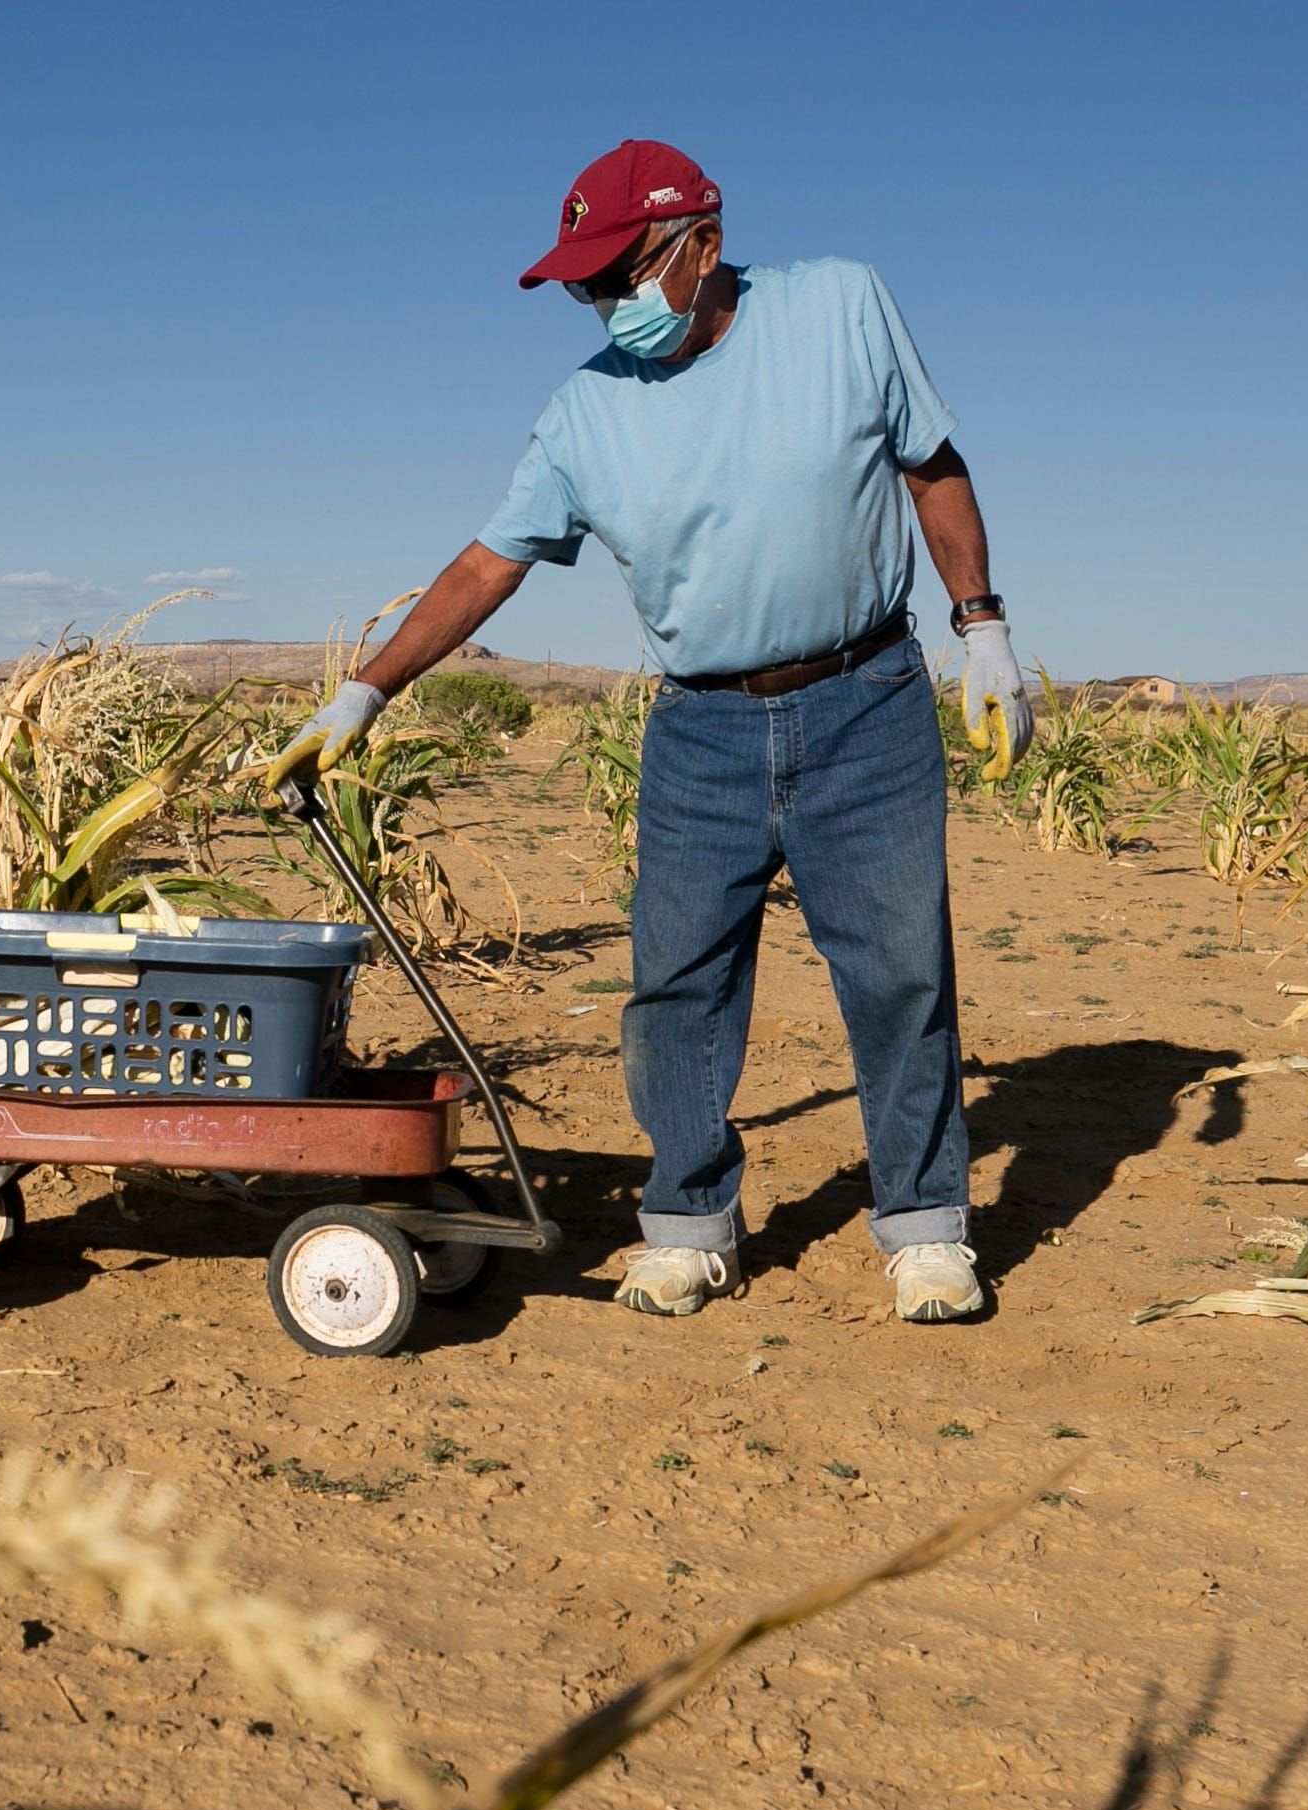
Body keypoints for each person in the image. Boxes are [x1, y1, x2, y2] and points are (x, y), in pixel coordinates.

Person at [263, 139, 1033, 1323]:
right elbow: (487, 565)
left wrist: (981, 627)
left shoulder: (840, 305)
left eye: (617, 276)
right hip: (699, 734)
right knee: (675, 987)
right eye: (582, 286)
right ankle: (686, 1222)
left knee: (900, 978)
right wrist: (365, 691)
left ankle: (923, 1225)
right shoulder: (585, 410)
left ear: (703, 248)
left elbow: (932, 465)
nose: (600, 304)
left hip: (866, 703)